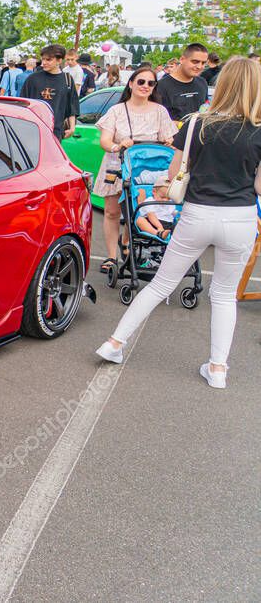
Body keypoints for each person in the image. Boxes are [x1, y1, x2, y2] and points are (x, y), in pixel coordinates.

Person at [96, 56, 261, 389]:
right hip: (240, 216)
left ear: (223, 84)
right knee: (224, 295)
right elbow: (259, 187)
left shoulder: (197, 123)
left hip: (198, 211)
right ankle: (217, 368)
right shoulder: (258, 130)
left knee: (160, 284)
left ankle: (114, 343)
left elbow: (173, 175)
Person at [91, 66, 176, 271]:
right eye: (141, 82)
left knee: (137, 209)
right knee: (112, 212)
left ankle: (127, 242)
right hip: (116, 164)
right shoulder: (117, 110)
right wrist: (116, 146)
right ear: (131, 83)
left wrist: (167, 141)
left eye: (150, 83)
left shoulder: (159, 111)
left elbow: (170, 138)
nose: (145, 86)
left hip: (145, 169)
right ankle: (111, 256)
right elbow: (105, 139)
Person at [20, 44, 79, 141]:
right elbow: (23, 103)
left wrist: (72, 127)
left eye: (48, 60)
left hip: (56, 131)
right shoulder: (33, 78)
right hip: (34, 129)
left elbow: (72, 104)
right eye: (43, 59)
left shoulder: (67, 79)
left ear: (59, 61)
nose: (44, 63)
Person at [155, 43, 210, 121]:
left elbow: (205, 109)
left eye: (203, 63)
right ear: (182, 59)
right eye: (195, 61)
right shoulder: (161, 86)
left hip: (198, 132)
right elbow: (157, 119)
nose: (199, 66)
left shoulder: (202, 82)